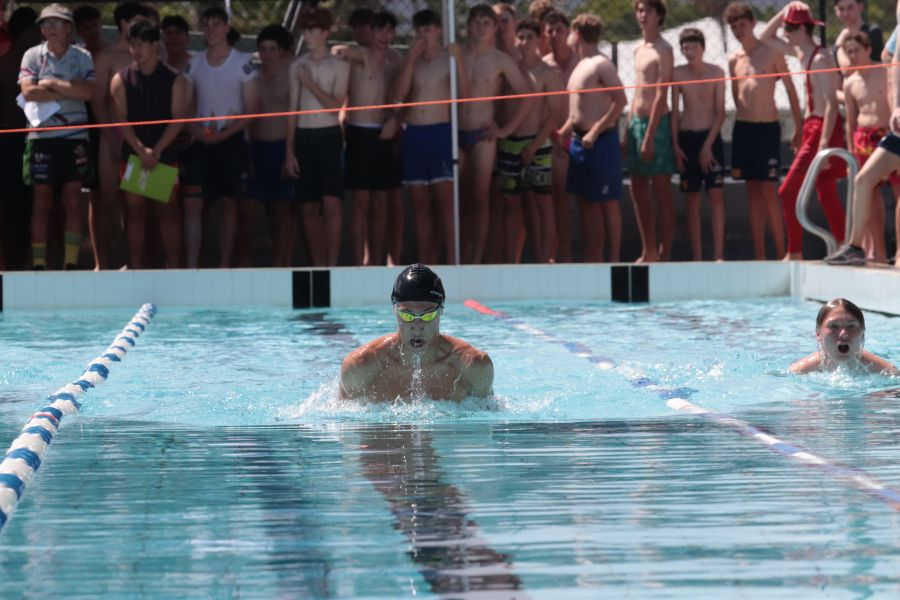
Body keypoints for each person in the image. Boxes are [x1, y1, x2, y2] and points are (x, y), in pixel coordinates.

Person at [761, 1, 847, 261]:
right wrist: (786, 8)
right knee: (826, 192)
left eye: (788, 27)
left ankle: (795, 251)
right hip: (812, 126)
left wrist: (822, 145)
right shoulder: (801, 52)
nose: (784, 31)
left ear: (802, 29)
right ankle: (845, 247)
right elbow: (765, 36)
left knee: (787, 191)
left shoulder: (820, 58)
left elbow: (832, 102)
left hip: (822, 127)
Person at [339, 263, 494, 402]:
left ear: (441, 311)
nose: (417, 325)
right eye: (407, 315)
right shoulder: (361, 367)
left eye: (427, 315)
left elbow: (487, 422)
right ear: (394, 310)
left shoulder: (473, 367)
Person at [18, 3, 96, 270]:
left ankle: (70, 263)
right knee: (42, 199)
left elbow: (88, 93)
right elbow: (28, 92)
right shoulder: (31, 55)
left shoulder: (82, 56)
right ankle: (39, 264)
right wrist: (68, 89)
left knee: (73, 198)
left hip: (75, 137)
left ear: (67, 28)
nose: (48, 28)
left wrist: (50, 84)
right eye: (45, 24)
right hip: (41, 137)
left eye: (55, 23)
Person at [182, 5, 258, 268]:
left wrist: (225, 134)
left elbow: (252, 110)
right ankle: (192, 267)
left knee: (229, 203)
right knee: (193, 204)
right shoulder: (194, 63)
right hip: (200, 142)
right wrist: (195, 131)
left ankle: (224, 266)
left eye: (217, 24)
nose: (212, 29)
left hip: (232, 143)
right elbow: (187, 105)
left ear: (226, 28)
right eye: (207, 24)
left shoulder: (242, 63)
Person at [391, 9, 468, 264]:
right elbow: (398, 96)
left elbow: (465, 97)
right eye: (419, 31)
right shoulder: (412, 60)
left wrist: (459, 63)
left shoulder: (448, 60)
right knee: (420, 203)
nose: (423, 36)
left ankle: (453, 259)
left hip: (440, 131)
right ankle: (426, 261)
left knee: (445, 202)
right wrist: (410, 62)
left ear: (438, 32)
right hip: (415, 133)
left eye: (428, 30)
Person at [725, 1, 801, 261]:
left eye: (742, 25)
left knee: (769, 190)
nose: (738, 31)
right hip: (744, 129)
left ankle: (782, 253)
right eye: (734, 27)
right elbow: (737, 98)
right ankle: (759, 255)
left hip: (767, 128)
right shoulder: (733, 59)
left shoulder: (770, 52)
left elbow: (791, 89)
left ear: (753, 24)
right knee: (752, 191)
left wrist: (799, 127)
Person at [827, 1, 900, 267]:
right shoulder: (896, 38)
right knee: (862, 180)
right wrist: (897, 106)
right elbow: (888, 58)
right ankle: (856, 247)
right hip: (894, 130)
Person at [458, 4, 532, 265]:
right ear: (468, 26)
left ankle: (475, 259)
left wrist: (504, 130)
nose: (480, 27)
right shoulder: (458, 54)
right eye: (476, 22)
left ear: (493, 29)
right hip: (455, 132)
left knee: (479, 197)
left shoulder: (500, 60)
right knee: (459, 198)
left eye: (486, 23)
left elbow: (527, 96)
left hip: (482, 136)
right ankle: (459, 256)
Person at [109, 20, 186, 269]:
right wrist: (141, 150)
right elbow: (121, 120)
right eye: (132, 45)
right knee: (134, 212)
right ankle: (135, 266)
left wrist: (157, 151)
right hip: (134, 155)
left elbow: (178, 120)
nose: (136, 50)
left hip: (163, 153)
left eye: (141, 45)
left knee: (168, 212)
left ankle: (173, 267)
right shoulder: (121, 80)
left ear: (155, 45)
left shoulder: (175, 80)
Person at [334, 11, 402, 267]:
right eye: (379, 30)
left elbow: (404, 96)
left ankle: (376, 259)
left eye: (389, 31)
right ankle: (360, 262)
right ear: (370, 32)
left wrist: (395, 120)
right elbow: (339, 51)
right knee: (361, 201)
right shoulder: (360, 55)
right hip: (359, 132)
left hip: (383, 133)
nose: (384, 36)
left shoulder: (395, 60)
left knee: (381, 202)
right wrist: (342, 50)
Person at [284, 7, 348, 267]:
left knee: (331, 204)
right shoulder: (297, 65)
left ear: (324, 32)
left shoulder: (339, 66)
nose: (306, 35)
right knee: (308, 206)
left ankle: (332, 264)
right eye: (304, 30)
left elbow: (336, 107)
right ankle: (319, 265)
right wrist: (289, 150)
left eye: (311, 30)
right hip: (303, 136)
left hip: (329, 136)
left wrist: (310, 84)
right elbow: (292, 108)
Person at [91, 1, 153, 270]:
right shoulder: (105, 58)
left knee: (138, 206)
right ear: (124, 24)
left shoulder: (150, 53)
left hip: (143, 140)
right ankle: (100, 262)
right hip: (112, 138)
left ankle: (135, 263)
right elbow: (97, 103)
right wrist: (110, 136)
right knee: (107, 201)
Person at [560, 13, 626, 263]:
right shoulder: (580, 64)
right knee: (586, 202)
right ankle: (593, 260)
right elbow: (578, 109)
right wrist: (564, 131)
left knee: (607, 202)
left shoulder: (601, 64)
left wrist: (595, 131)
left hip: (600, 142)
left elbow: (621, 101)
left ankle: (614, 260)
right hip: (578, 142)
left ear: (576, 33)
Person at [500, 18, 563, 263]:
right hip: (510, 142)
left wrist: (535, 145)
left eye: (529, 37)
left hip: (537, 143)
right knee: (511, 204)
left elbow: (555, 114)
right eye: (521, 37)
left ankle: (545, 259)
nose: (524, 42)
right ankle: (511, 261)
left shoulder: (547, 74)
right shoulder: (510, 70)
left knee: (543, 203)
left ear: (539, 40)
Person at [240, 24, 295, 268]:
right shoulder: (254, 77)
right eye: (262, 49)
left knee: (282, 212)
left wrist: (289, 154)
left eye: (272, 49)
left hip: (281, 148)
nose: (267, 54)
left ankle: (280, 265)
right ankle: (244, 263)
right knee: (248, 210)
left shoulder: (291, 76)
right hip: (257, 148)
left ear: (282, 51)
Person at [626, 0, 677, 263]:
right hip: (636, 121)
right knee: (637, 187)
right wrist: (629, 126)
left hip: (656, 125)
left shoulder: (664, 49)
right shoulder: (638, 49)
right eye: (639, 10)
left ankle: (664, 250)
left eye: (647, 10)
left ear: (659, 15)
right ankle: (648, 249)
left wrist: (649, 135)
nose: (642, 15)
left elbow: (661, 94)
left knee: (661, 188)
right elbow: (637, 91)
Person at [672, 28, 726, 262]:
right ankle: (697, 256)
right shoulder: (678, 73)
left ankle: (718, 255)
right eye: (685, 47)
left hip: (710, 139)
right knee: (691, 198)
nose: (690, 52)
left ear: (703, 48)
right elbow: (675, 113)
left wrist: (707, 146)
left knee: (716, 196)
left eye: (694, 47)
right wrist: (676, 146)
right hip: (687, 139)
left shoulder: (717, 72)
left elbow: (721, 113)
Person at [0, 7, 39, 270]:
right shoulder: (7, 62)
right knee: (12, 208)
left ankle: (28, 263)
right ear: (24, 34)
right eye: (36, 31)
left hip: (35, 139)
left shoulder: (40, 62)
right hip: (8, 143)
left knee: (33, 205)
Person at [542, 10, 577, 262]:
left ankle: (567, 254)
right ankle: (553, 255)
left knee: (578, 201)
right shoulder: (543, 64)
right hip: (552, 137)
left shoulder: (580, 61)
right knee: (554, 199)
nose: (554, 35)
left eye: (559, 30)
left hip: (578, 135)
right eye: (550, 31)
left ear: (568, 32)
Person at [789, 298, 900, 374]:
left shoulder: (886, 371)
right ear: (818, 333)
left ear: (863, 334)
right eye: (834, 326)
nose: (843, 334)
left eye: (851, 326)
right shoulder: (799, 371)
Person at [833, 0, 883, 71]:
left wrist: (839, 47)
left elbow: (848, 69)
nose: (845, 13)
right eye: (841, 9)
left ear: (861, 7)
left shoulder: (872, 32)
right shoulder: (840, 36)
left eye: (850, 7)